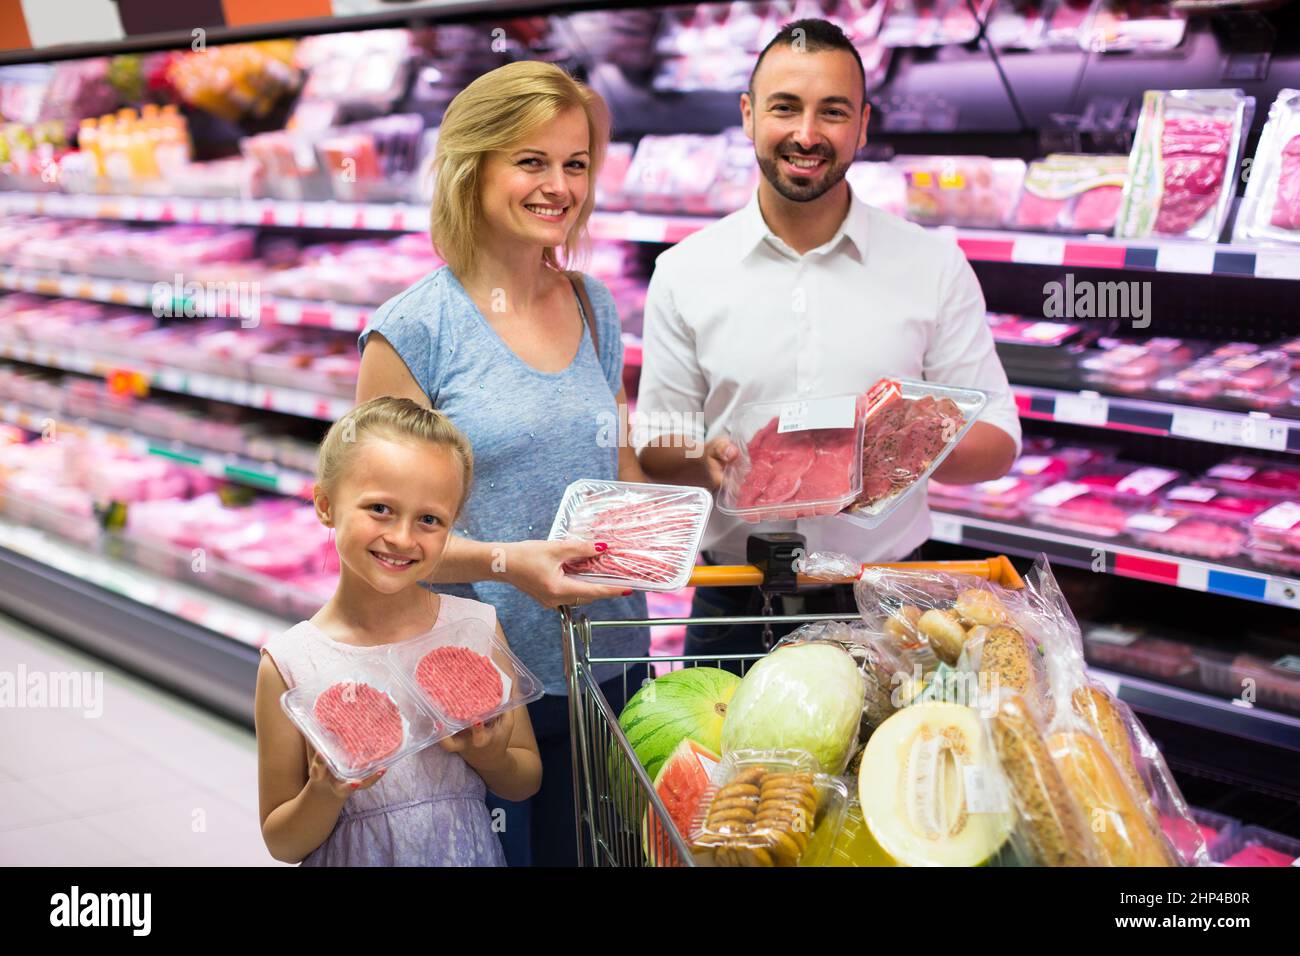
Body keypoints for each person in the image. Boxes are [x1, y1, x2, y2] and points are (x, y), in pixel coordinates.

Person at [636, 19, 1022, 658]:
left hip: (892, 602)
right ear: (748, 114)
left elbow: (999, 443)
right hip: (736, 599)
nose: (807, 135)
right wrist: (703, 459)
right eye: (785, 108)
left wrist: (895, 447)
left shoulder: (932, 265)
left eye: (833, 112)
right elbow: (658, 443)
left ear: (863, 125)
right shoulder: (684, 271)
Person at [353, 61, 649, 867]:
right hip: (481, 692)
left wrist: (698, 498)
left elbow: (615, 465)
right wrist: (506, 563)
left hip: (610, 665)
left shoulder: (593, 305)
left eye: (576, 163)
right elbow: (375, 544)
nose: (560, 186)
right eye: (531, 161)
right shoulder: (414, 332)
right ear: (472, 165)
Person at [256, 397, 542, 866]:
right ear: (326, 505)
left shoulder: (474, 627)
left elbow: (525, 779)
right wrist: (326, 792)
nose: (403, 538)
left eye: (429, 520)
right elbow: (282, 844)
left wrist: (491, 756)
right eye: (380, 509)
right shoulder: (289, 663)